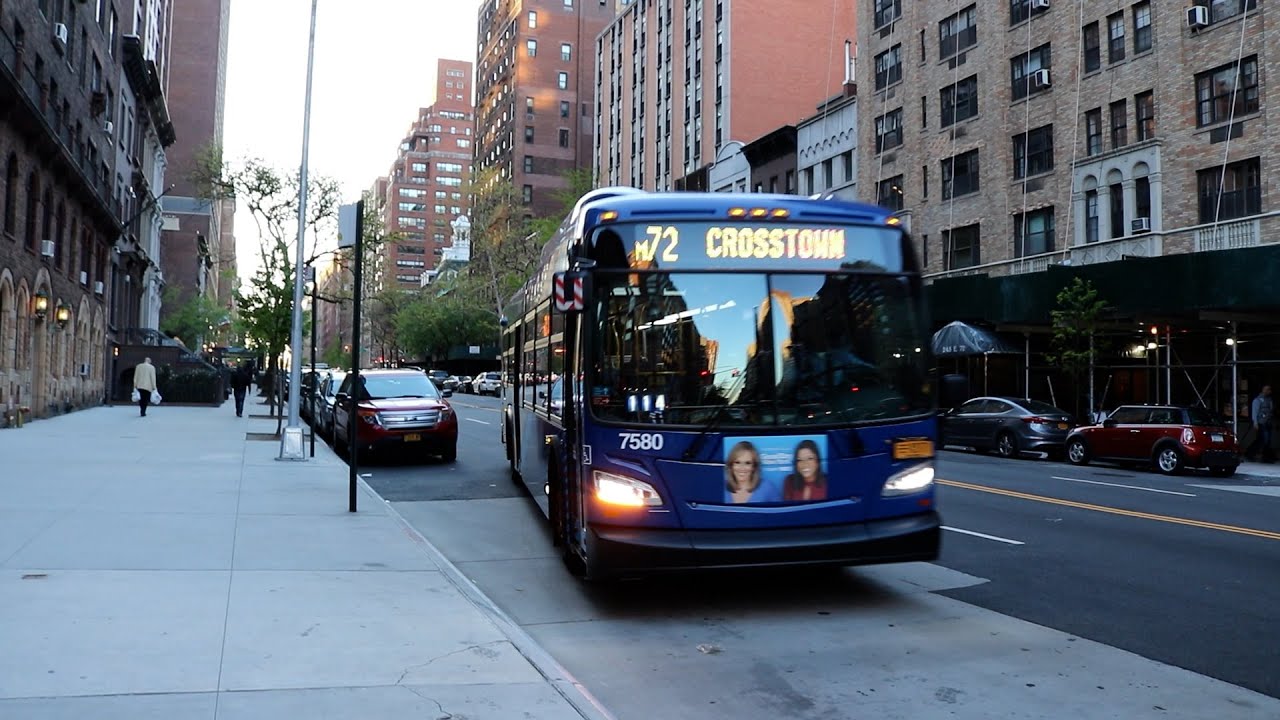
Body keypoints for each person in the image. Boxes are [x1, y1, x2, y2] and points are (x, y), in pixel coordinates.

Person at [1245, 384, 1273, 463]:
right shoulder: (1257, 400)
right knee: (1264, 440)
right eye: (1267, 389)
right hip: (1261, 422)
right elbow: (1255, 412)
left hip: (1268, 422)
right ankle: (1250, 453)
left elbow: (1270, 410)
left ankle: (1266, 457)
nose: (1268, 391)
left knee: (1265, 440)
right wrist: (1255, 422)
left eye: (1269, 389)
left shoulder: (1269, 400)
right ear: (1263, 390)